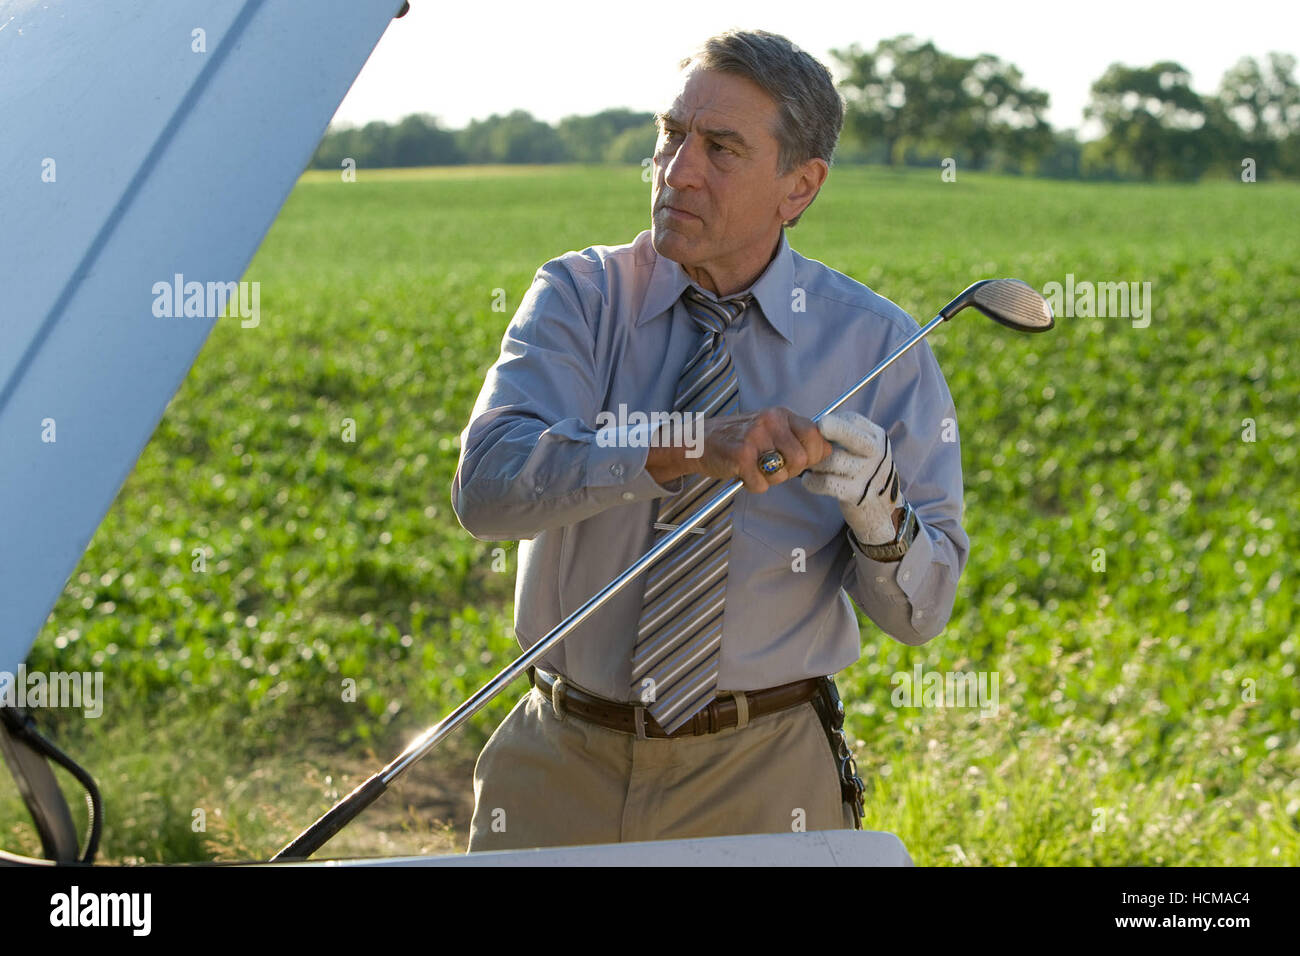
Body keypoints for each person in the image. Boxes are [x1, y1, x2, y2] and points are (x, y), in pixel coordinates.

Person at [450, 29, 969, 851]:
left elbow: (920, 613)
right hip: (558, 762)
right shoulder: (579, 297)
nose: (678, 169)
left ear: (799, 187)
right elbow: (487, 491)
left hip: (764, 776)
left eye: (720, 148)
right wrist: (685, 445)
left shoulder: (877, 346)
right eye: (672, 134)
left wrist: (881, 515)